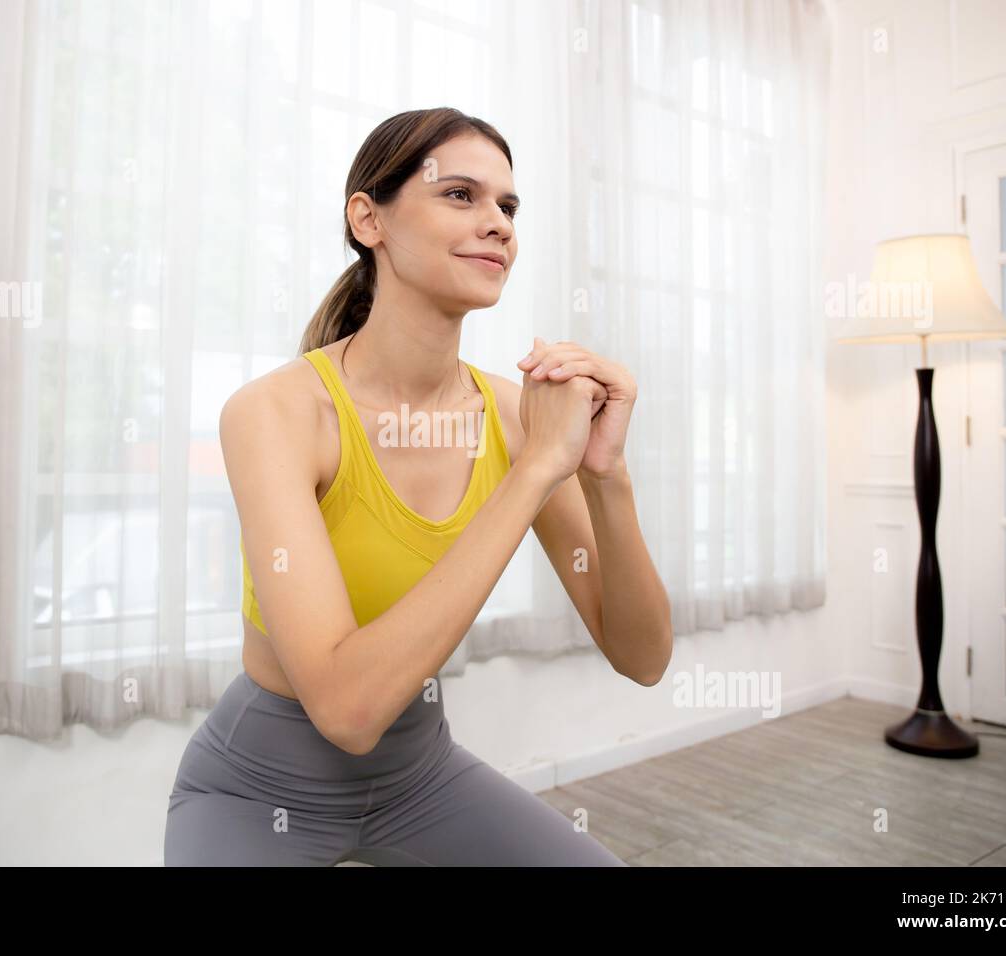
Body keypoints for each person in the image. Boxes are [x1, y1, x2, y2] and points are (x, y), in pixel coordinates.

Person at [165, 107, 672, 866]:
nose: (499, 223)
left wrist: (605, 474)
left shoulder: (511, 414)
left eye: (508, 205)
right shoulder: (275, 414)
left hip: (419, 776)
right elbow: (347, 710)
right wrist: (535, 469)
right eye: (461, 194)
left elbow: (643, 657)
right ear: (369, 219)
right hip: (259, 787)